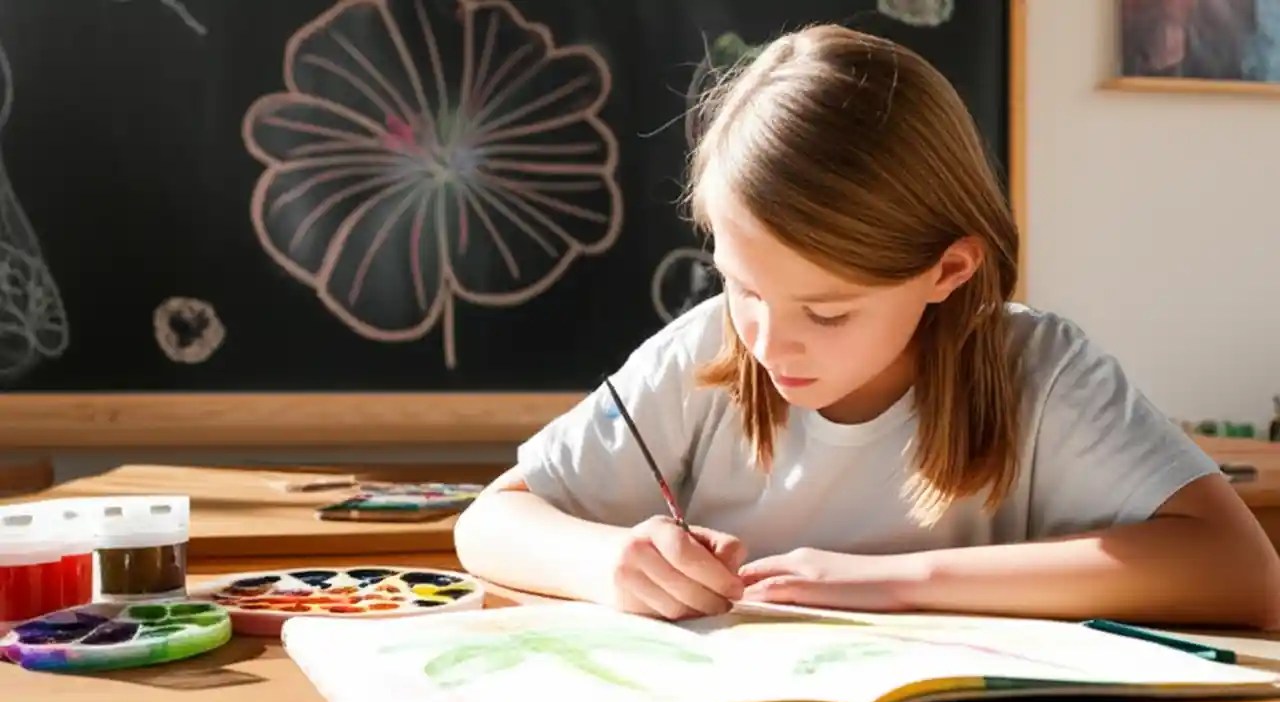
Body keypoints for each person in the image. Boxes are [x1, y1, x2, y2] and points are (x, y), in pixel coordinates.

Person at [453, 24, 1280, 628]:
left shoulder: (1041, 370)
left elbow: (1244, 572)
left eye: (827, 311)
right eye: (743, 287)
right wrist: (609, 562)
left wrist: (899, 581)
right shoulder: (706, 351)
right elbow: (489, 522)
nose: (768, 343)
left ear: (948, 271)